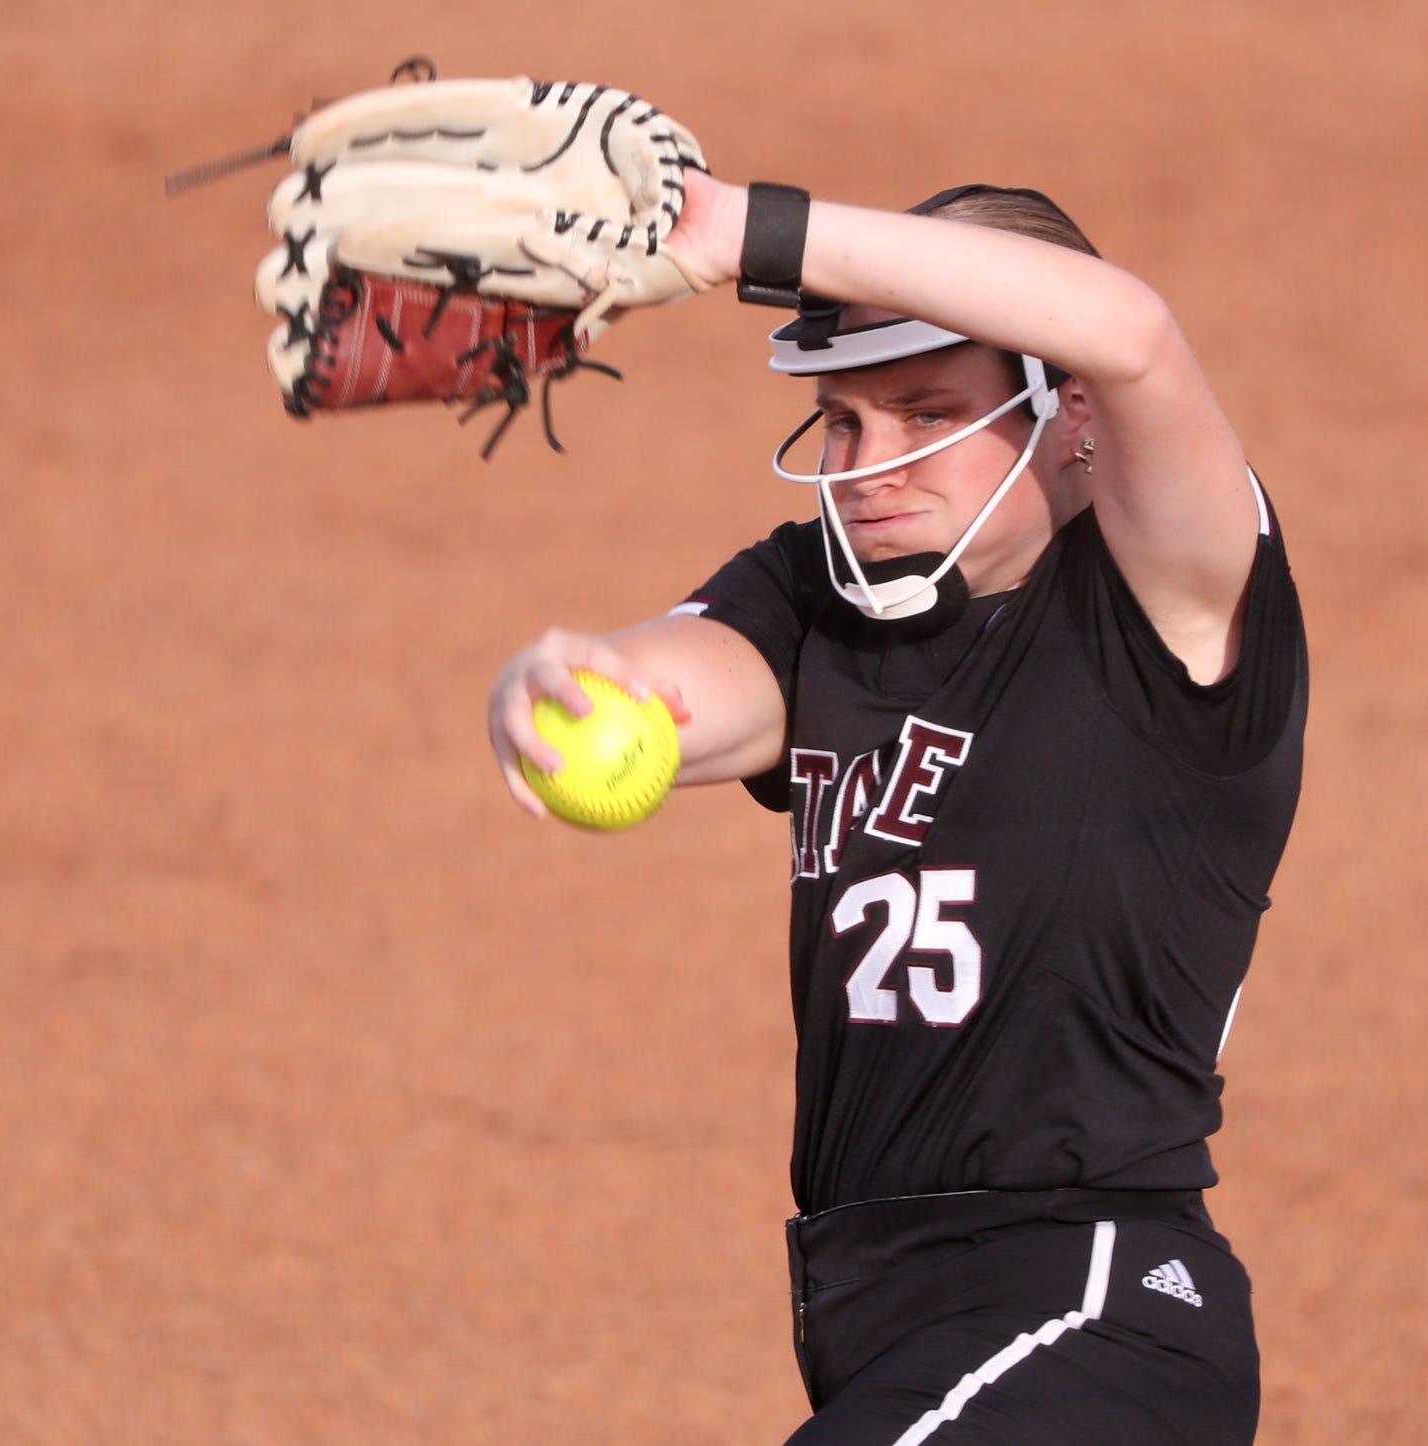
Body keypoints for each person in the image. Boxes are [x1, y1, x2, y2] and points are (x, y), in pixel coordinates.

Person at [488, 167, 1305, 1444]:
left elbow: (1133, 334)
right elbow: (680, 694)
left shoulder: (1168, 602)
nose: (867, 464)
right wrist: (560, 688)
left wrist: (744, 233)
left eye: (924, 410)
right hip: (877, 1317)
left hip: (1089, 1307)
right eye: (843, 421)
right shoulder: (823, 601)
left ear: (1068, 414)